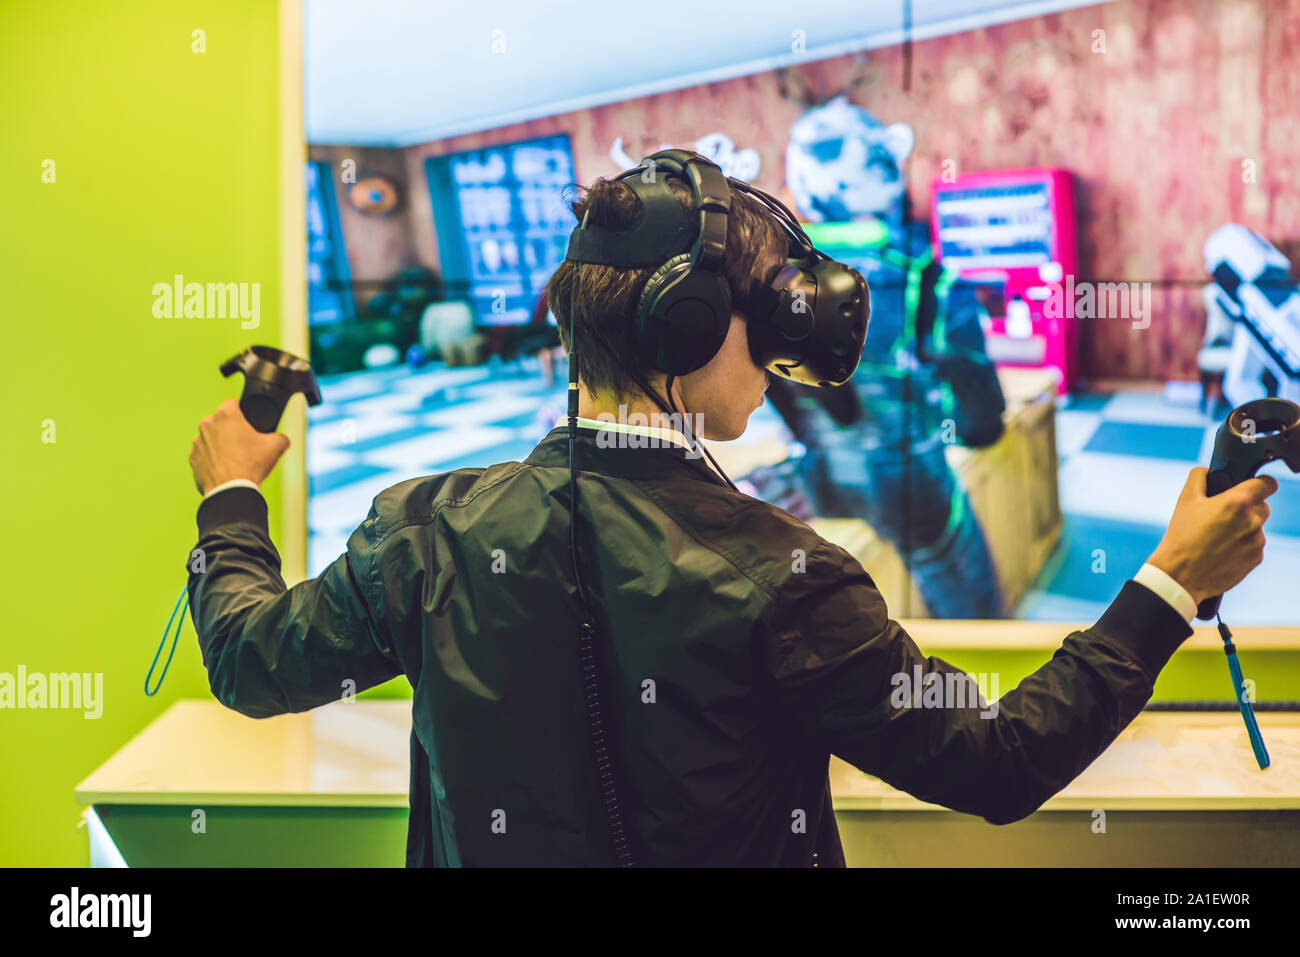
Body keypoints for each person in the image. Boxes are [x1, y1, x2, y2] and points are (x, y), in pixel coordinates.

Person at [187, 156, 1277, 867]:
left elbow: (249, 658)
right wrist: (1170, 580)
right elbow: (994, 763)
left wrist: (233, 497)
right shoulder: (786, 578)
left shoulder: (423, 532)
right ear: (690, 326)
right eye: (772, 308)